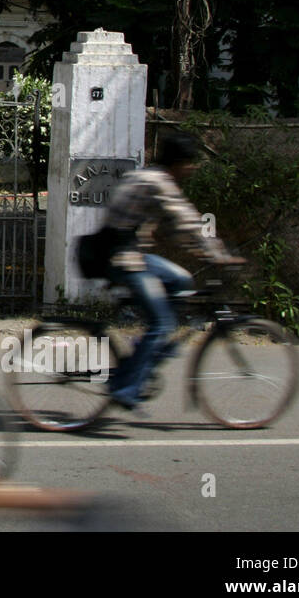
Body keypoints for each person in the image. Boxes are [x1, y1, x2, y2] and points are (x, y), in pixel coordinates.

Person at [98, 131, 245, 409]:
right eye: (189, 162)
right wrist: (217, 254)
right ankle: (126, 389)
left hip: (130, 253)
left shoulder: (152, 177)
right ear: (177, 162)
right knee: (162, 323)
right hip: (121, 258)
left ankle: (150, 348)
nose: (191, 168)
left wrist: (200, 249)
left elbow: (174, 228)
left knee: (181, 279)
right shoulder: (158, 181)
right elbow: (185, 220)